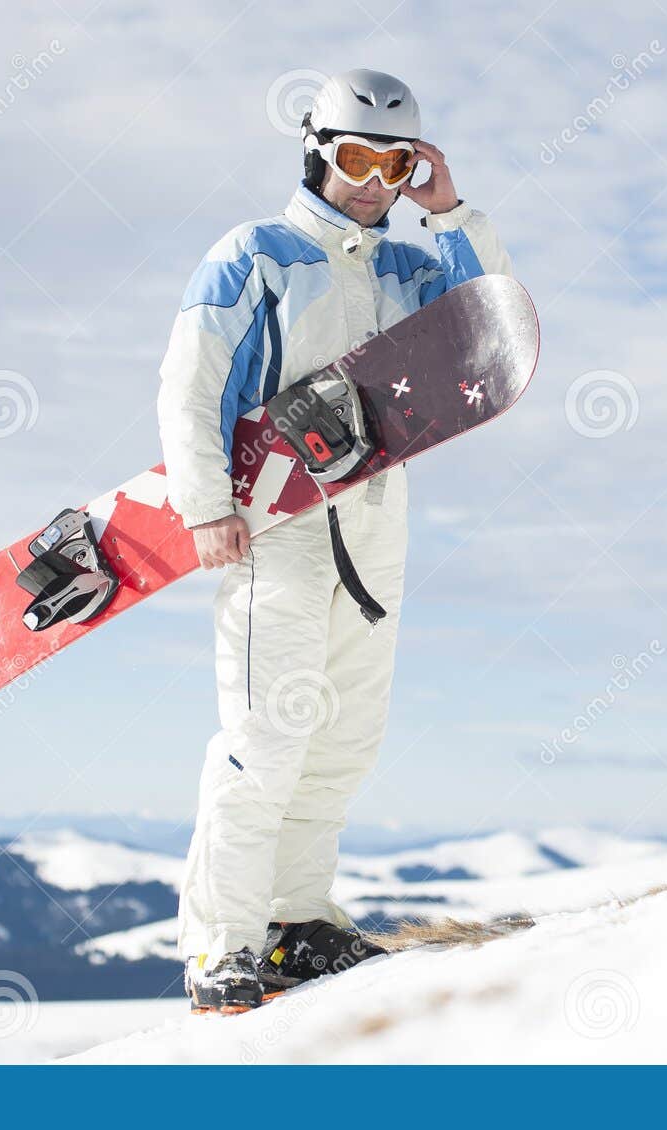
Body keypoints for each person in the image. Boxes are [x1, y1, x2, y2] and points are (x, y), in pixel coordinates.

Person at [157, 68, 515, 1013]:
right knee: (265, 737)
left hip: (375, 516)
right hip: (272, 525)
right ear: (315, 148)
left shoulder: (411, 265)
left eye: (395, 164)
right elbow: (190, 387)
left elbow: (497, 334)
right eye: (356, 156)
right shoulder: (256, 254)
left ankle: (295, 927)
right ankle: (219, 947)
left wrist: (453, 213)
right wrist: (204, 507)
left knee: (343, 738)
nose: (373, 181)